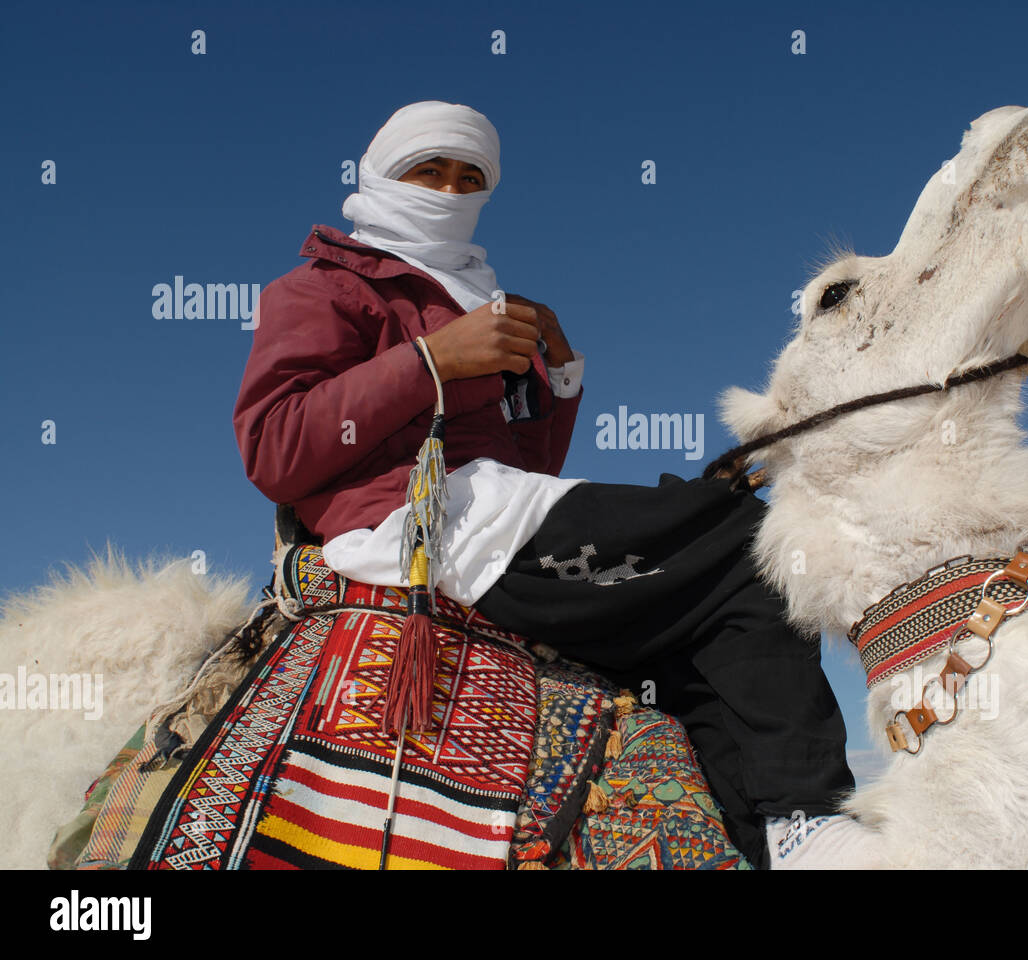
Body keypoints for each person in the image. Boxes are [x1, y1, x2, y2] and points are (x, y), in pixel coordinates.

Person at [233, 101, 867, 868]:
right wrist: (431, 361)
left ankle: (764, 837)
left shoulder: (476, 294)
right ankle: (806, 813)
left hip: (498, 515)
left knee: (700, 618)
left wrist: (559, 381)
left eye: (469, 177)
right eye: (427, 170)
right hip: (412, 526)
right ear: (381, 174)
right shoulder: (322, 288)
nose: (449, 189)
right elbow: (273, 448)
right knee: (738, 539)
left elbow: (527, 477)